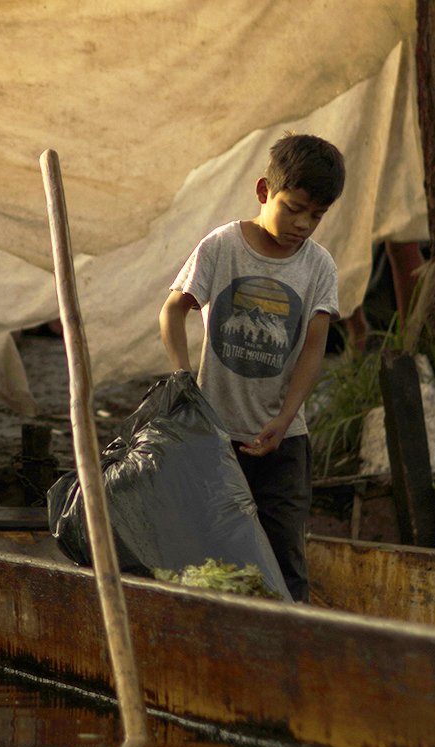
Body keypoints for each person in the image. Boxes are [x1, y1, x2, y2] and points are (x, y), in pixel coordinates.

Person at [158, 133, 345, 602]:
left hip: (283, 442)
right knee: (213, 559)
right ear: (264, 192)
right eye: (294, 208)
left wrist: (284, 419)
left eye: (316, 215)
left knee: (284, 560)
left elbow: (312, 347)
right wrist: (183, 380)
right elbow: (173, 311)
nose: (303, 224)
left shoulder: (318, 267)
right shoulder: (223, 247)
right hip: (217, 439)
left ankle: (289, 653)